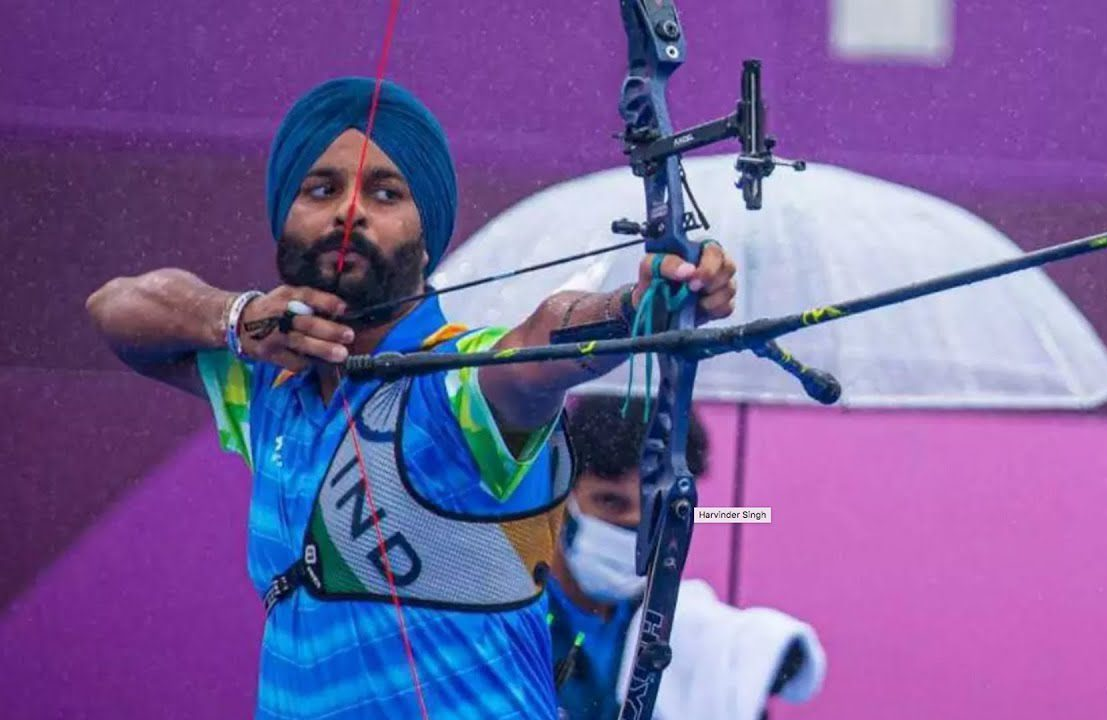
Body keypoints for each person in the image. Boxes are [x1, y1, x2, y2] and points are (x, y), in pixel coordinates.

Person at [84, 77, 739, 720]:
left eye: (385, 192)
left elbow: (543, 341)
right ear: (283, 217)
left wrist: (638, 305)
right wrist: (234, 317)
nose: (349, 211)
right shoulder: (268, 383)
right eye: (321, 189)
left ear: (428, 238)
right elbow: (115, 307)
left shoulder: (454, 385)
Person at [549, 394, 826, 720]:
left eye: (657, 510)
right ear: (561, 498)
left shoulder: (679, 623)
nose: (636, 526)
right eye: (611, 502)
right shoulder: (514, 615)